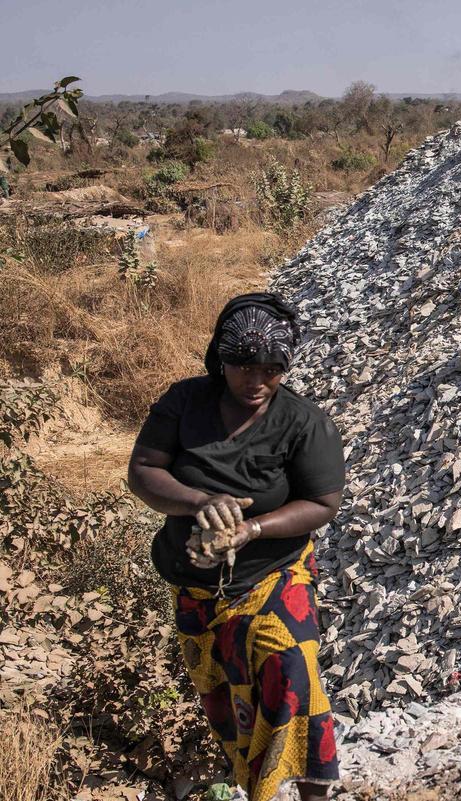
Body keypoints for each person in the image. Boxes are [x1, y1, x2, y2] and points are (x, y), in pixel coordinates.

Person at [127, 293, 345, 801]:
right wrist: (201, 502)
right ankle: (257, 789)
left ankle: (314, 795)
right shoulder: (184, 404)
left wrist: (253, 529)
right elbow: (143, 473)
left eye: (272, 368)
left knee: (294, 676)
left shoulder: (302, 422)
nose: (257, 380)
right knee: (227, 700)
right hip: (196, 584)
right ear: (220, 360)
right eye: (244, 366)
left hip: (272, 575)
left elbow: (322, 502)